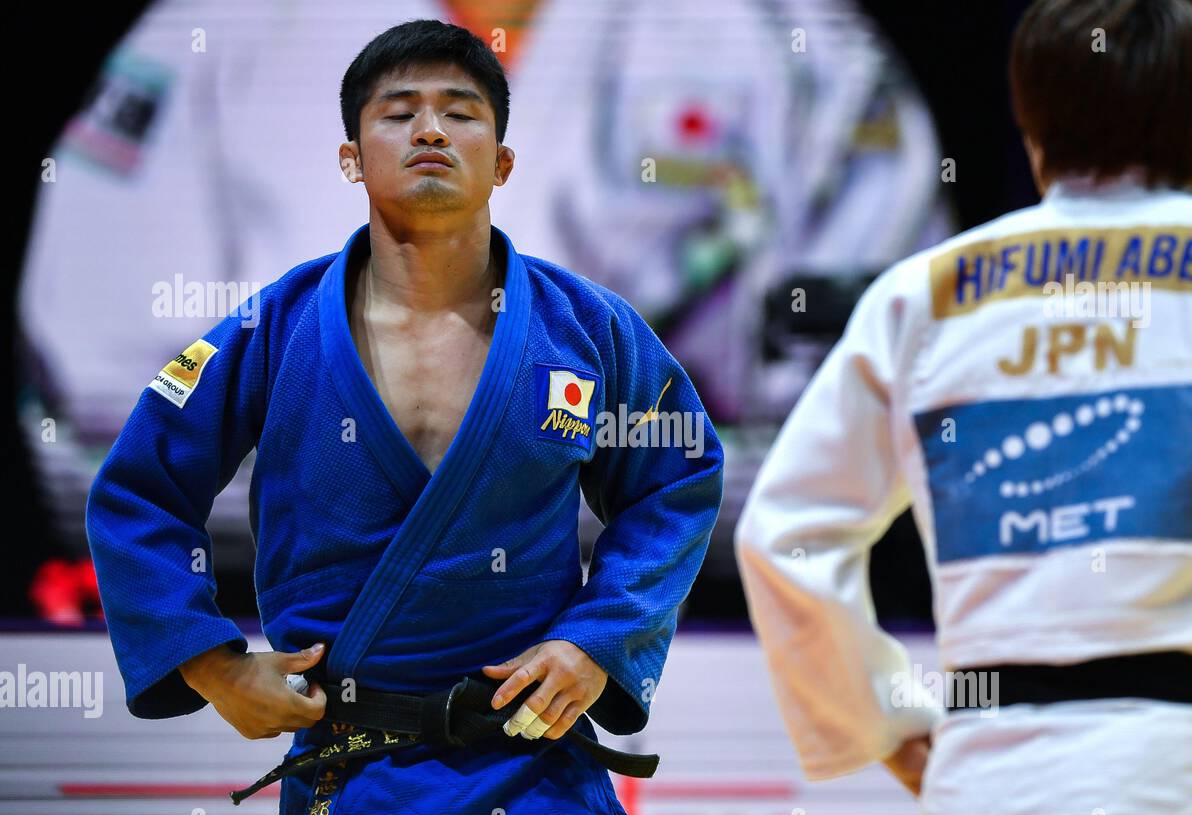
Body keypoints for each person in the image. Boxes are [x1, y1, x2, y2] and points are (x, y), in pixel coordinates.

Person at [21, 0, 948, 605]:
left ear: (502, 166)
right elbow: (95, 446)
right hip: (294, 638)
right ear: (354, 160)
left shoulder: (799, 48)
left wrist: (533, 521)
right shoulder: (218, 32)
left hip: (681, 643)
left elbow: (863, 453)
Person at [86, 19, 723, 815]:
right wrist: (210, 666)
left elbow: (676, 480)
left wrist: (598, 641)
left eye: (460, 112)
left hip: (529, 781)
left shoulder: (589, 329)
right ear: (351, 158)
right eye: (399, 113)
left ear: (502, 163)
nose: (429, 129)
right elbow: (139, 491)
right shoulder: (275, 328)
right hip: (350, 780)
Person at [736, 0, 1192, 815]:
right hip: (1179, 783)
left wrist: (881, 722)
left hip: (983, 794)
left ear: (1032, 126)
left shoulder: (921, 295)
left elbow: (783, 536)